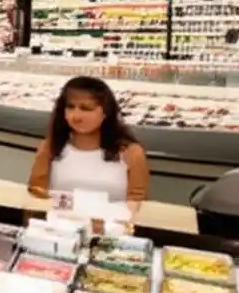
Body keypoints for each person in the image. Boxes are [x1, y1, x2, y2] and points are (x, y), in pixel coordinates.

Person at [28, 76, 149, 214]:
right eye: (70, 107)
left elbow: (137, 205)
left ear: (106, 112)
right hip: (60, 231)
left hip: (111, 232)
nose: (76, 115)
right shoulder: (50, 147)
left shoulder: (132, 153)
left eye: (86, 108)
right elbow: (36, 198)